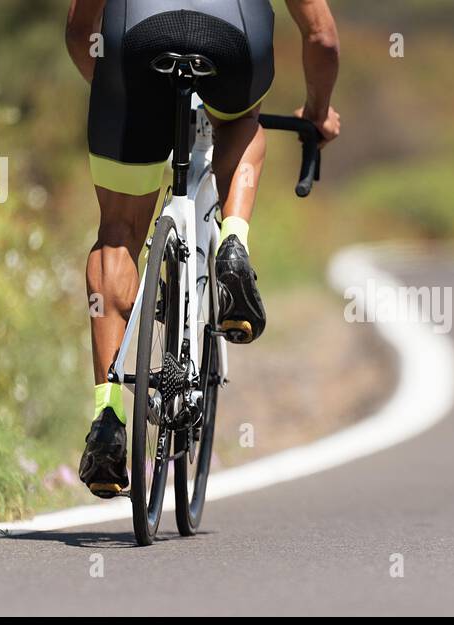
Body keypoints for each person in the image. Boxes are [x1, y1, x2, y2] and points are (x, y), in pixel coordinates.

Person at [65, 0, 341, 496]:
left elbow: (80, 29)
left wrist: (120, 93)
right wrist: (316, 113)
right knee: (241, 119)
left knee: (119, 233)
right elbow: (321, 36)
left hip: (134, 39)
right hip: (231, 39)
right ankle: (233, 241)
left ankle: (107, 415)